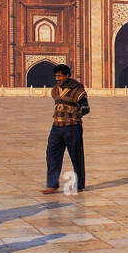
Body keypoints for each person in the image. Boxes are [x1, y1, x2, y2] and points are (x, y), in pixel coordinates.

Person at [42, 64, 89, 194]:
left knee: (76, 156)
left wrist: (74, 114)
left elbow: (85, 108)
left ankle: (79, 185)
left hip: (72, 127)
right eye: (56, 76)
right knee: (52, 155)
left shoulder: (78, 89)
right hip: (57, 126)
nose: (57, 78)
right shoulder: (55, 89)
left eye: (60, 76)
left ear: (67, 75)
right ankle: (52, 184)